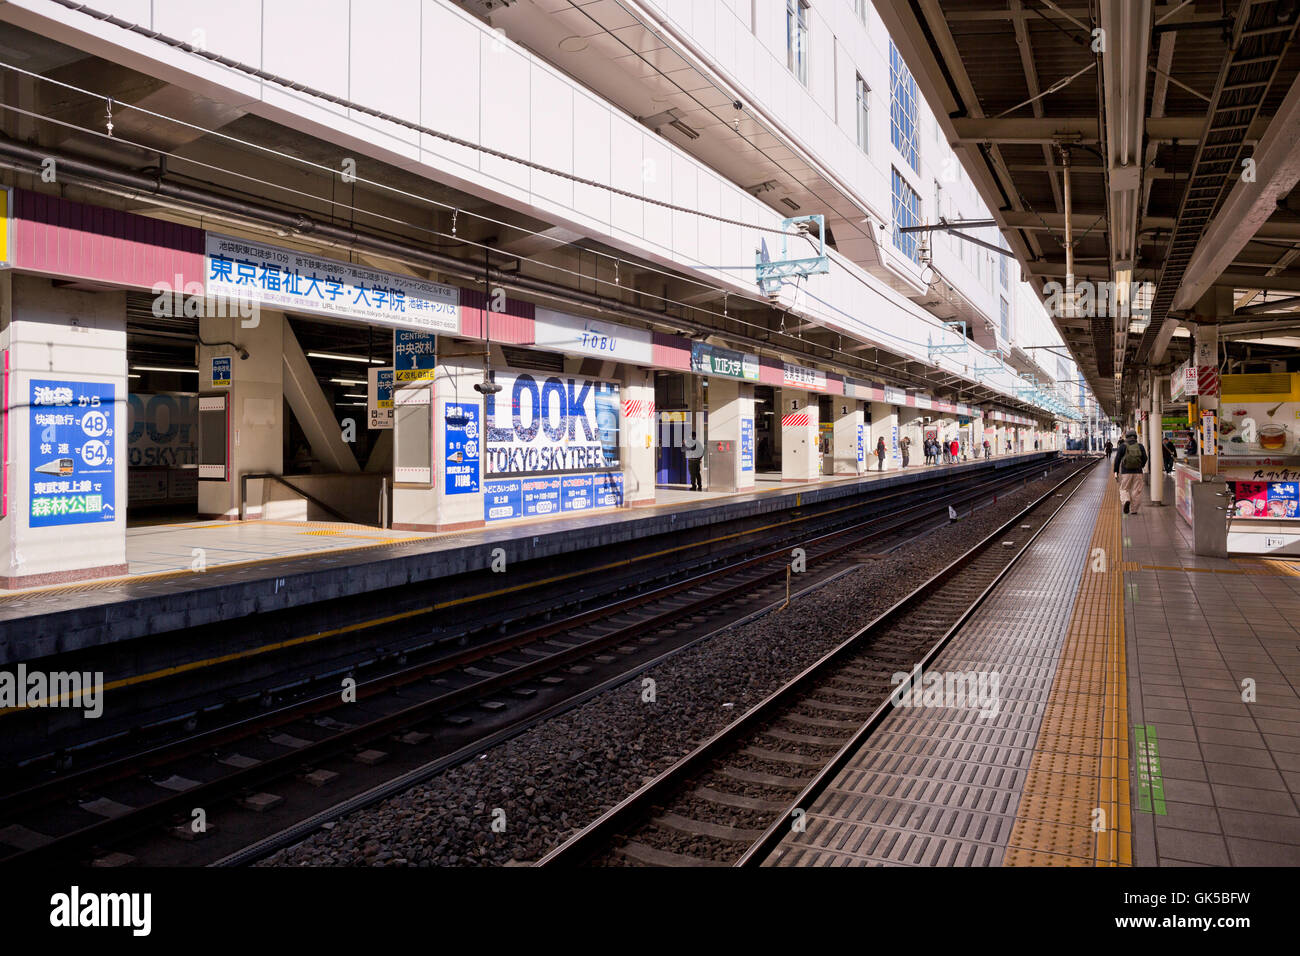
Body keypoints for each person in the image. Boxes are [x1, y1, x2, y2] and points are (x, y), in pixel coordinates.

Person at [1114, 428, 1148, 514]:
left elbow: (1117, 459)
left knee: (1124, 489)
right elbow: (1145, 458)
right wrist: (1141, 466)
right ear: (1136, 437)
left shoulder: (1123, 446)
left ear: (1126, 436)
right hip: (1138, 472)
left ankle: (1126, 500)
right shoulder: (1140, 446)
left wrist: (1116, 472)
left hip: (1126, 472)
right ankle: (1134, 510)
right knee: (1136, 491)